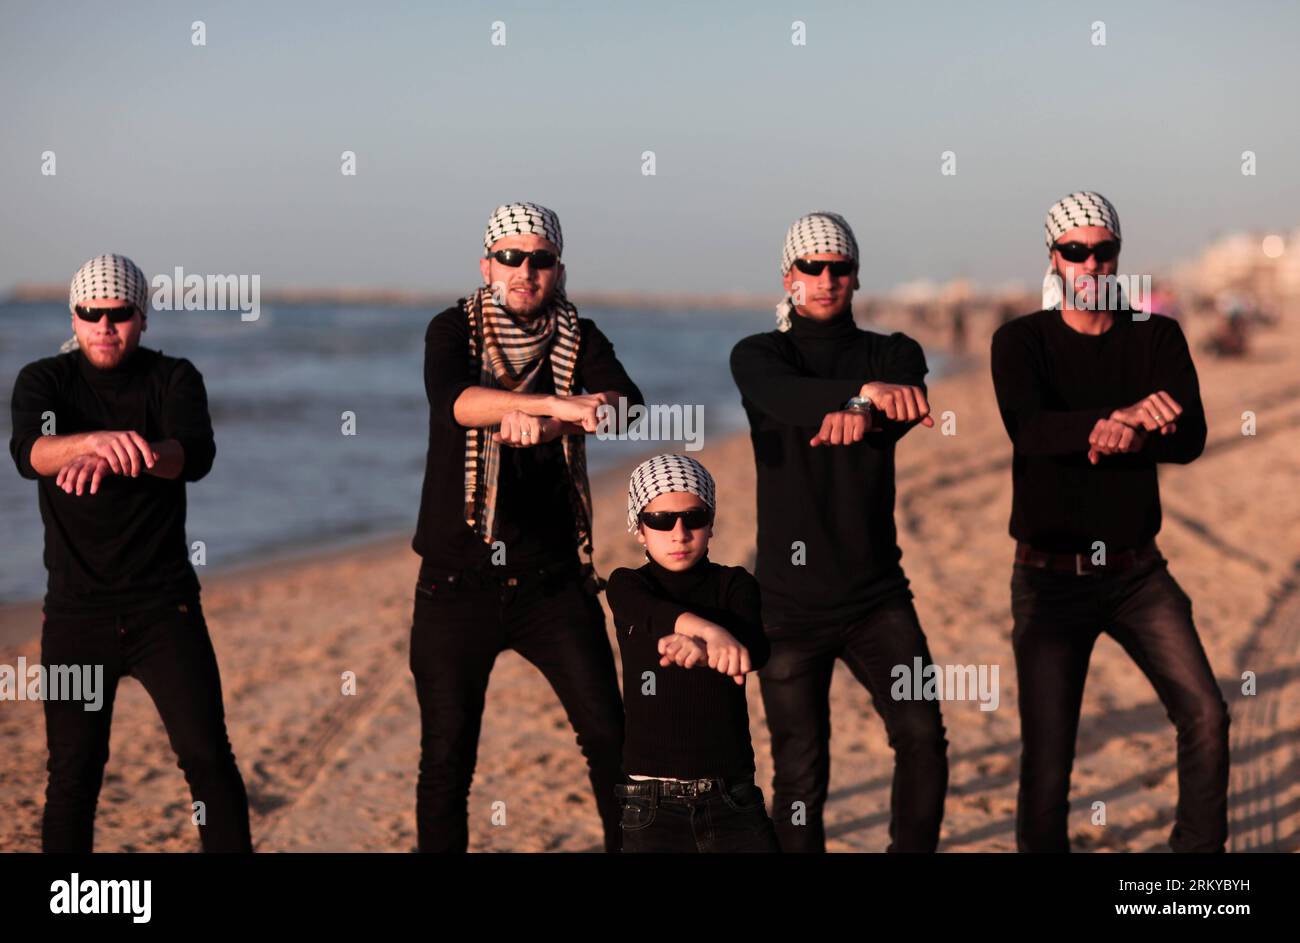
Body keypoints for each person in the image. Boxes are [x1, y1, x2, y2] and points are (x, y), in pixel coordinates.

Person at [990, 191, 1228, 852]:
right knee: (1048, 759)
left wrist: (1135, 433)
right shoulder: (1021, 341)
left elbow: (1192, 437)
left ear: (1118, 254)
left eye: (1103, 250)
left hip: (1136, 572)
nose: (1090, 263)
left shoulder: (1156, 336)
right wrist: (1116, 422)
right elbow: (1030, 429)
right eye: (1075, 251)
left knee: (1206, 713)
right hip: (1048, 578)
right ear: (1054, 257)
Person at [410, 202, 644, 852]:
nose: (524, 269)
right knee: (447, 758)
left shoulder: (579, 336)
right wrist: (538, 403)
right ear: (488, 265)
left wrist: (562, 420)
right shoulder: (451, 328)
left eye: (539, 259)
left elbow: (627, 406)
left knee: (610, 736)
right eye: (511, 256)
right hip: (455, 581)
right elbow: (455, 401)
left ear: (557, 270)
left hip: (554, 581)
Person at [8, 253, 251, 852]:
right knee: (72, 777)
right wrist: (88, 441)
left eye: (118, 314)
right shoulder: (45, 381)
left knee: (207, 761)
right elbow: (29, 453)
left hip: (164, 609)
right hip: (74, 614)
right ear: (74, 314)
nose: (103, 326)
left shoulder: (173, 378)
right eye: (90, 314)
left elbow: (192, 457)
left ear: (142, 317)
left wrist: (127, 450)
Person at [729, 212, 949, 852]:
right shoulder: (761, 355)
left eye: (839, 268)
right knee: (798, 777)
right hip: (787, 608)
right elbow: (786, 397)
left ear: (855, 276)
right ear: (788, 277)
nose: (826, 279)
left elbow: (908, 392)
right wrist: (857, 397)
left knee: (922, 739)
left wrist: (866, 402)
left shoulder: (894, 350)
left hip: (876, 597)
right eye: (811, 267)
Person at [605, 454, 778, 853]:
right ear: (639, 528)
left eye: (694, 518)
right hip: (649, 806)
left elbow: (756, 649)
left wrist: (705, 651)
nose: (679, 533)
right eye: (661, 520)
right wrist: (707, 631)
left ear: (711, 523)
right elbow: (653, 613)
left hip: (731, 796)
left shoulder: (735, 585)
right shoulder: (628, 585)